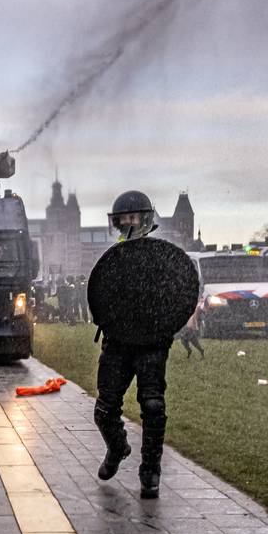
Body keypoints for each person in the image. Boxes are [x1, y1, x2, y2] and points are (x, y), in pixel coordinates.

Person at [94, 190, 176, 500]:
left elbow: (175, 296)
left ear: (145, 220)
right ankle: (118, 447)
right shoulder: (114, 259)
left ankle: (150, 473)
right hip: (117, 342)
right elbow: (101, 297)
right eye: (123, 219)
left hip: (152, 342)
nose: (127, 223)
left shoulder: (162, 257)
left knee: (153, 407)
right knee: (104, 410)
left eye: (133, 218)